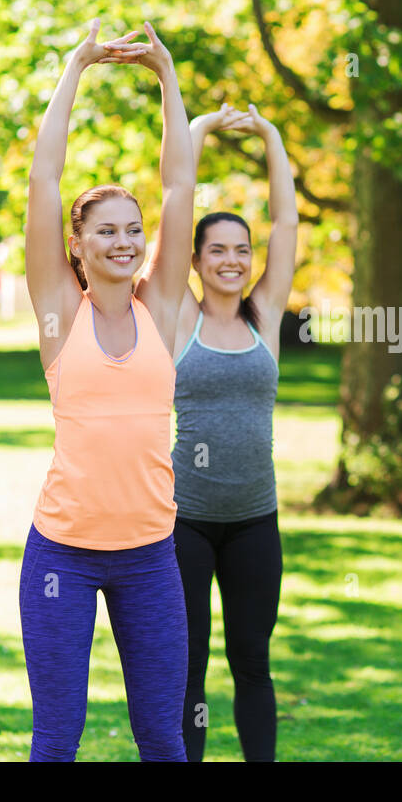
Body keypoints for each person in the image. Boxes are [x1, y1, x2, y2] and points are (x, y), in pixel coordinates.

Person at [21, 18, 195, 761]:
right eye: (107, 232)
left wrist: (168, 79)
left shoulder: (162, 308)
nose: (125, 242)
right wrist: (75, 67)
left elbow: (181, 183)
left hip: (152, 554)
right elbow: (44, 180)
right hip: (63, 552)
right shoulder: (61, 314)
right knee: (58, 737)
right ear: (78, 244)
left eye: (133, 230)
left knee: (162, 734)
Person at [171, 102, 298, 761]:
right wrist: (194, 133)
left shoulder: (264, 316)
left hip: (255, 520)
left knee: (252, 659)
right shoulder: (179, 315)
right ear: (193, 260)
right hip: (185, 519)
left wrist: (271, 137)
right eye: (216, 249)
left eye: (240, 250)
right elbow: (175, 197)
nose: (231, 259)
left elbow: (287, 221)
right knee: (188, 666)